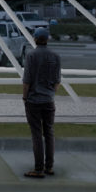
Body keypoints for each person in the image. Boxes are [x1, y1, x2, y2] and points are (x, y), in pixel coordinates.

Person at [21, 27, 62, 179]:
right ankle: (49, 167)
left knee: (37, 134)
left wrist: (25, 98)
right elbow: (57, 82)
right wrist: (50, 93)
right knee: (49, 133)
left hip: (34, 100)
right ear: (48, 39)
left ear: (35, 39)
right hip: (49, 100)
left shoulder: (31, 56)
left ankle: (38, 169)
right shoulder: (55, 56)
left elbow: (27, 81)